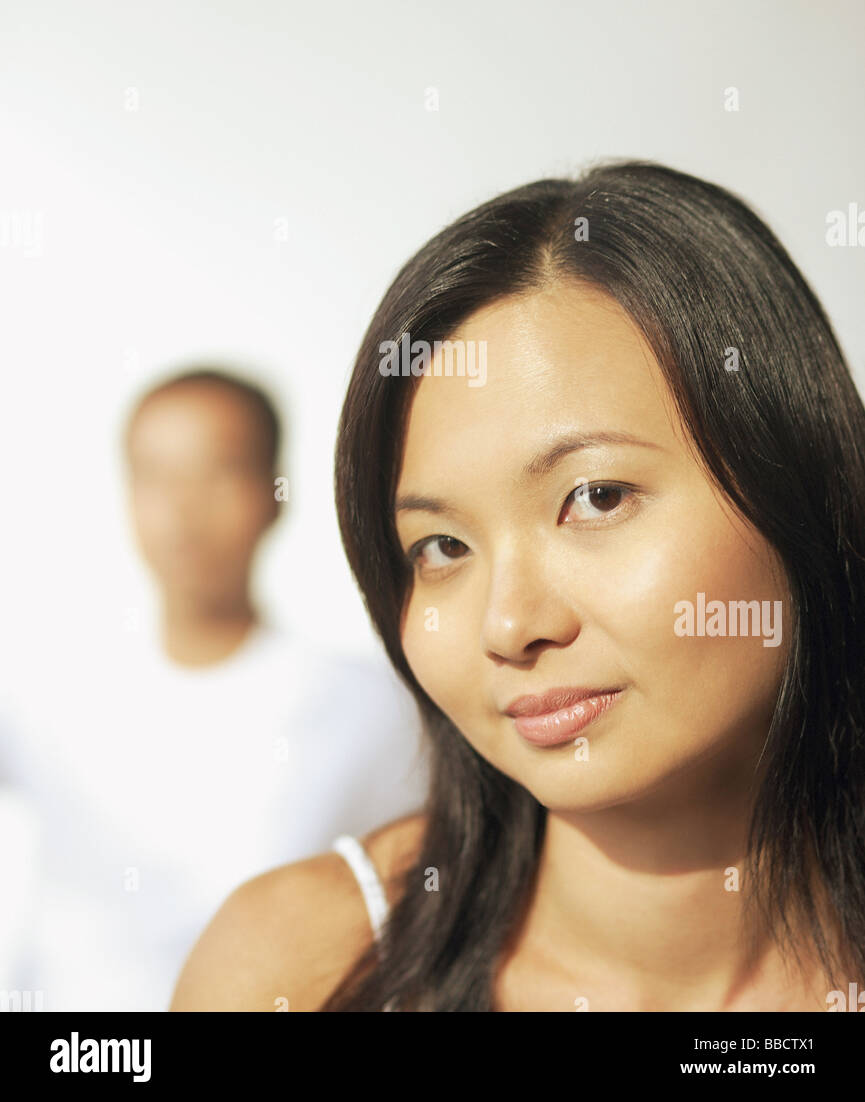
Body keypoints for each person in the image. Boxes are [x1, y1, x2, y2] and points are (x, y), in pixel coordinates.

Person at [170, 162, 865, 1012]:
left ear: (798, 479)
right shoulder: (293, 969)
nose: (508, 625)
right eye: (442, 546)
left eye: (596, 497)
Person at [0, 368, 428, 1011]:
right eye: (155, 475)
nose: (184, 509)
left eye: (219, 471)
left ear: (275, 493)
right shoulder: (45, 688)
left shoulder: (370, 709)